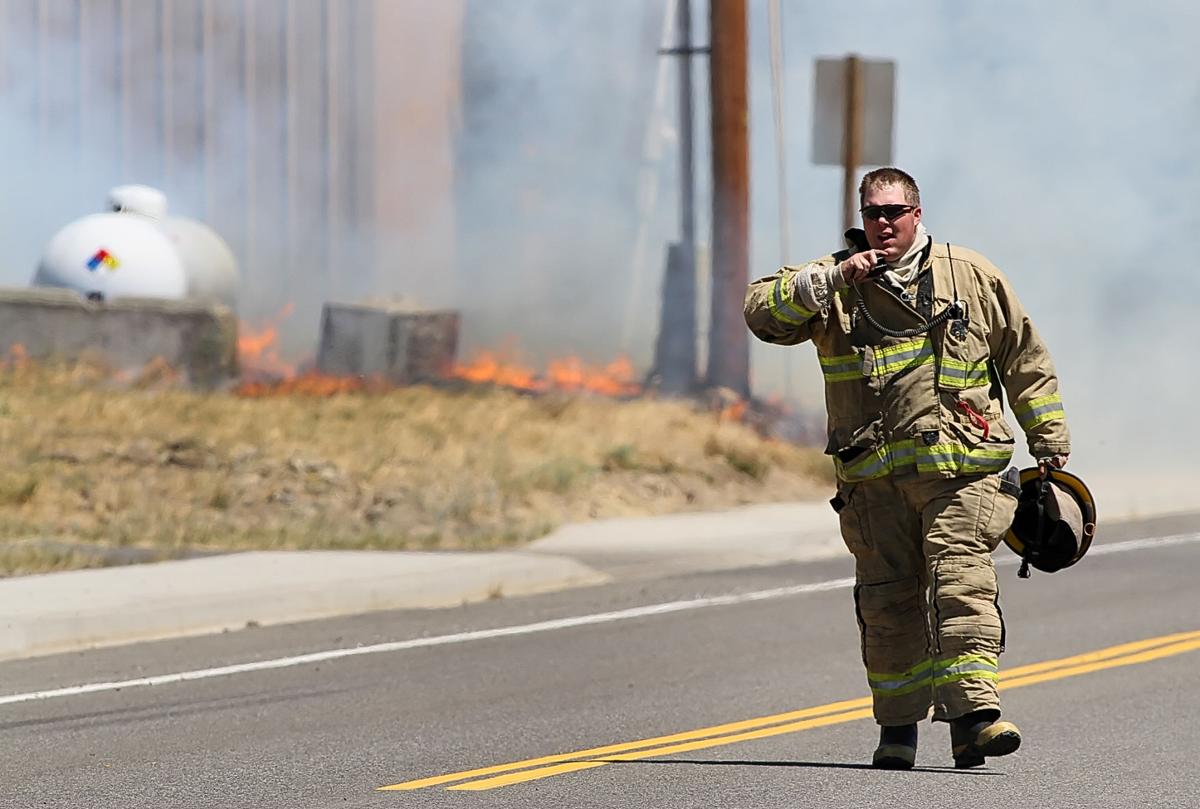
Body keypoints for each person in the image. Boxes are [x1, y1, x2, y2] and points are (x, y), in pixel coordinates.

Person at [743, 167, 1070, 769]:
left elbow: (1023, 353)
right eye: (872, 214)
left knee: (960, 582)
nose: (883, 224)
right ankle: (898, 732)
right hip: (873, 479)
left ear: (917, 214)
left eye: (894, 212)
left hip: (962, 470)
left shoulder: (968, 275)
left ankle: (976, 719)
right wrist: (831, 279)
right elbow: (761, 313)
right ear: (861, 218)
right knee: (887, 600)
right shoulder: (835, 281)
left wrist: (1047, 436)